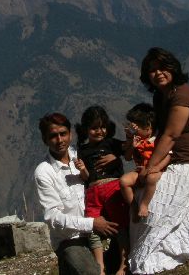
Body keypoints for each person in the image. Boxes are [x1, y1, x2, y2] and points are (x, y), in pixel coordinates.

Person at [127, 48, 189, 274]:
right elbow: (162, 133)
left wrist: (151, 167)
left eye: (162, 67)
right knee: (143, 193)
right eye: (152, 70)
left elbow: (171, 135)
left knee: (155, 202)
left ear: (173, 68)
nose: (158, 73)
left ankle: (162, 253)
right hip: (178, 158)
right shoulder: (161, 96)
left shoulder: (182, 95)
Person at [34, 112, 119, 275]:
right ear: (45, 140)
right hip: (71, 239)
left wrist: (114, 157)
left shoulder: (84, 155)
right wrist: (91, 223)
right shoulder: (44, 172)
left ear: (70, 134)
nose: (60, 140)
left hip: (100, 229)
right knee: (92, 272)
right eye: (53, 136)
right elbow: (53, 217)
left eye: (63, 134)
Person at [74, 106, 129, 275]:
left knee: (120, 225)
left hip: (113, 187)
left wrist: (116, 156)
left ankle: (124, 265)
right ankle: (100, 267)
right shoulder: (82, 150)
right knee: (92, 227)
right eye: (94, 127)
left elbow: (129, 151)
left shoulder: (112, 143)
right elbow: (86, 177)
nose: (99, 131)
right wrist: (82, 169)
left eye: (103, 126)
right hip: (92, 191)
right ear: (85, 129)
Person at [119, 103, 169, 218]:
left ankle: (144, 205)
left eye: (136, 129)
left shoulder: (159, 139)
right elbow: (127, 157)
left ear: (148, 127)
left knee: (151, 179)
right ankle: (133, 205)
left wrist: (155, 168)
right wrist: (131, 144)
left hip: (156, 170)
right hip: (140, 171)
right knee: (124, 181)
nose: (134, 131)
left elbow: (168, 156)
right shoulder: (135, 139)